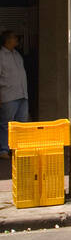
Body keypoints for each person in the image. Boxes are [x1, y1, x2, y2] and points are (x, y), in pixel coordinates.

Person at [0, 30, 29, 159]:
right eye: (14, 37)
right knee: (6, 124)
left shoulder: (17, 54)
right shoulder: (1, 55)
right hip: (8, 95)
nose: (16, 40)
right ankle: (4, 150)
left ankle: (17, 148)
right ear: (7, 40)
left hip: (22, 94)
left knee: (21, 124)